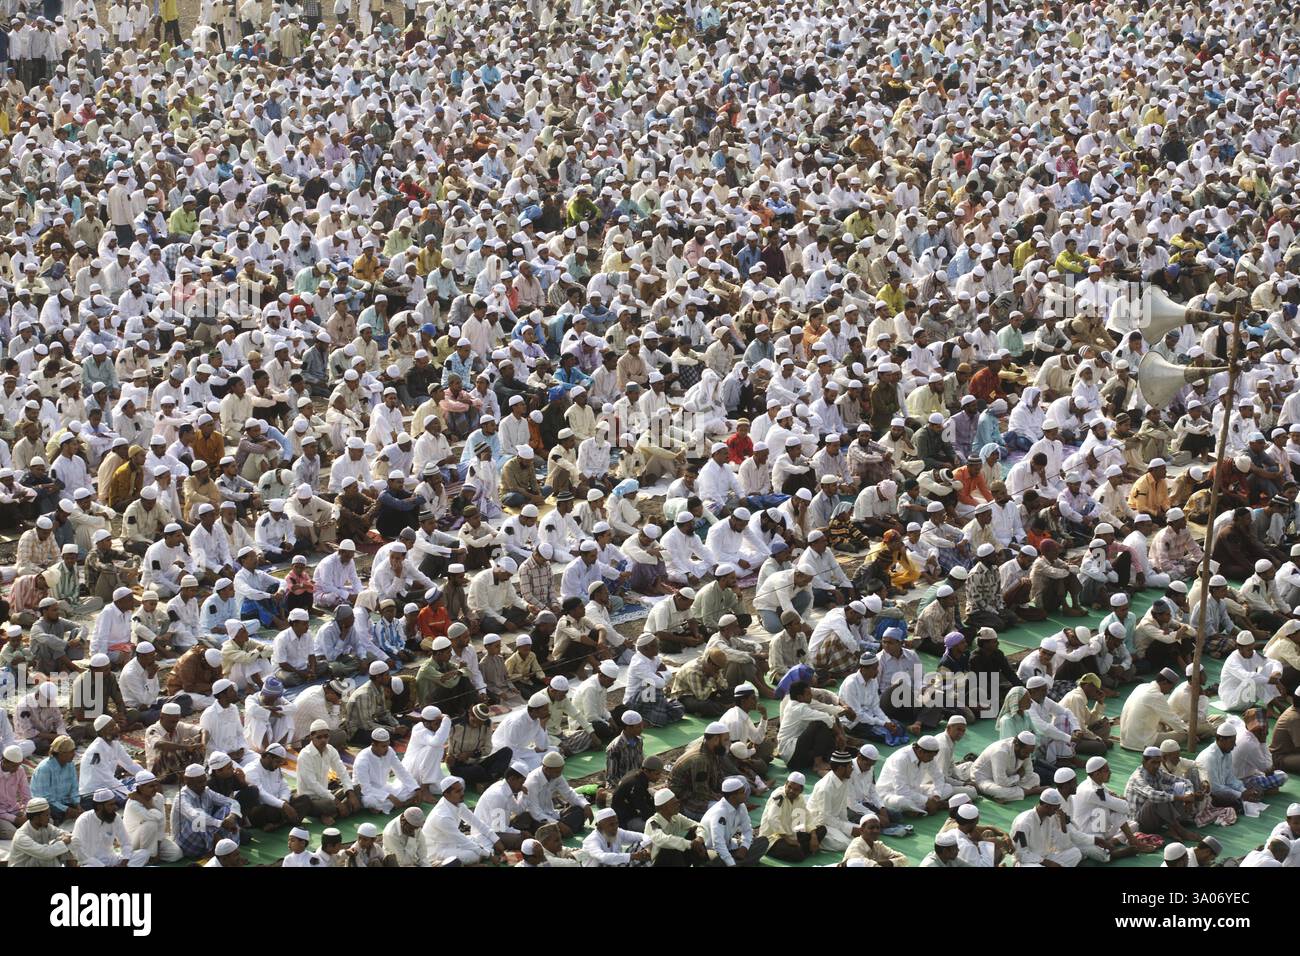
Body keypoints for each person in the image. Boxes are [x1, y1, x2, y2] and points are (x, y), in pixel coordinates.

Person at [701, 776, 769, 867]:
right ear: (733, 797)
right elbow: (718, 843)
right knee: (719, 861)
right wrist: (731, 863)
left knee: (763, 842)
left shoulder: (741, 806)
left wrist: (744, 847)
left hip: (730, 846)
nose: (746, 794)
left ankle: (740, 862)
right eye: (742, 792)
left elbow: (747, 830)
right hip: (712, 850)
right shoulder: (719, 812)